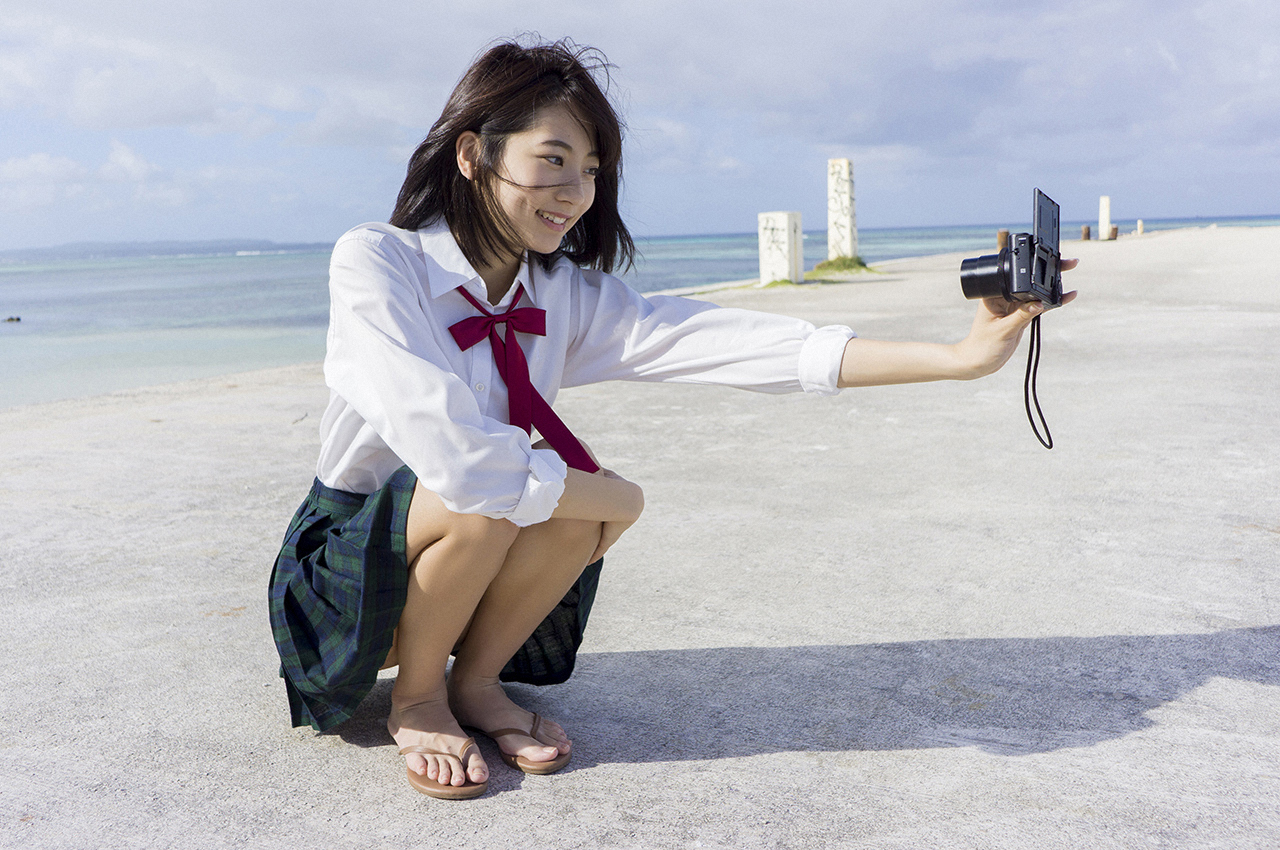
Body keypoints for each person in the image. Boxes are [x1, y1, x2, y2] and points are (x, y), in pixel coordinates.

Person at [268, 38, 1076, 800]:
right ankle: (417, 699)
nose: (575, 192)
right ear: (474, 153)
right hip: (351, 570)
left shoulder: (559, 293)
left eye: (591, 170)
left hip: (464, 559)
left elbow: (727, 341)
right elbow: (458, 458)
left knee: (556, 508)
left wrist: (960, 356)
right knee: (505, 497)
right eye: (552, 160)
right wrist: (613, 497)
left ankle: (475, 682)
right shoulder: (379, 261)